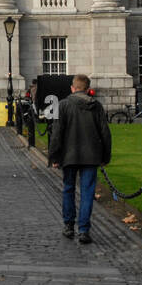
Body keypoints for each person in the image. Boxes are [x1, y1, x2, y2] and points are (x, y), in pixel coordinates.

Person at [49, 73, 112, 245]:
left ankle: (69, 225)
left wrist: (54, 156)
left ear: (73, 88)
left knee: (68, 189)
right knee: (87, 193)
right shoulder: (96, 106)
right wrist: (105, 156)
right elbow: (105, 133)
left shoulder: (62, 105)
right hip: (91, 156)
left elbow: (56, 134)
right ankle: (84, 229)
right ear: (88, 89)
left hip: (69, 154)